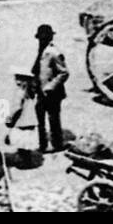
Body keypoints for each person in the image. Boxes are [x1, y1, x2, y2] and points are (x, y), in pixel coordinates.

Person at [33, 24, 69, 153]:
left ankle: (57, 145)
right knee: (40, 120)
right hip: (41, 92)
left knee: (53, 120)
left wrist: (50, 87)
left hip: (53, 93)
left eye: (44, 38)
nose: (41, 41)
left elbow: (64, 73)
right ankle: (43, 145)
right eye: (40, 38)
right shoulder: (41, 52)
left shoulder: (54, 53)